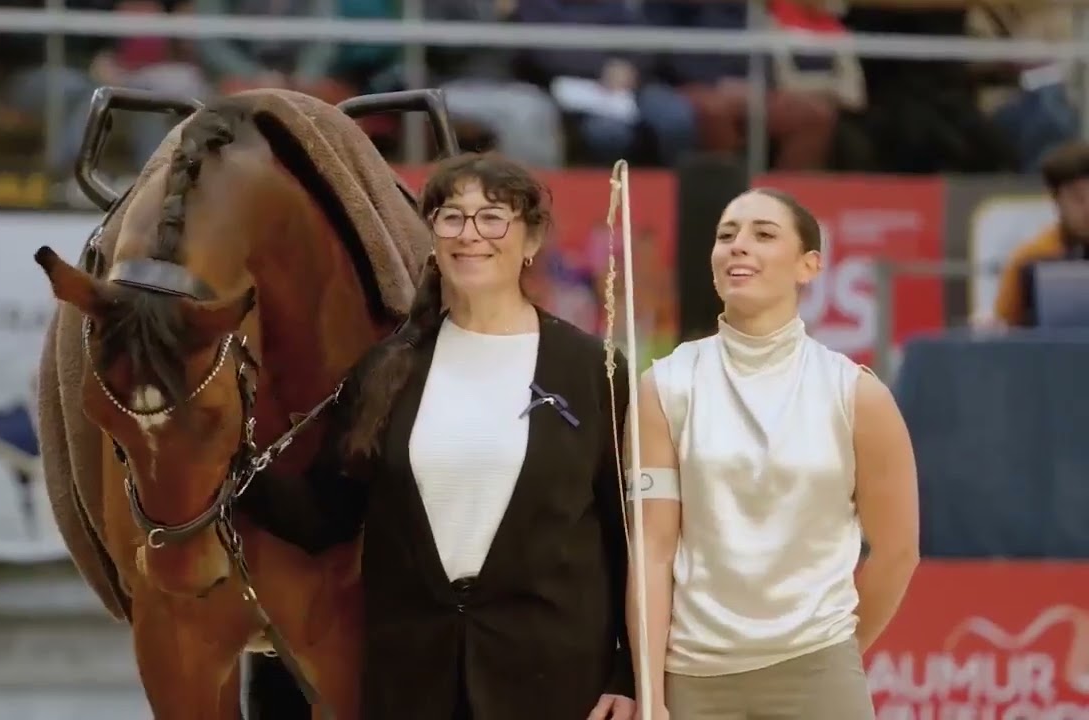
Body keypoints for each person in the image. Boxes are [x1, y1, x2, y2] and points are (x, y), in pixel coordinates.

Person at [241, 152, 637, 720]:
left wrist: (628, 674)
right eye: (452, 217)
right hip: (413, 683)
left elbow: (629, 540)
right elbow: (326, 516)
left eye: (492, 217)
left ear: (530, 240)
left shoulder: (593, 370)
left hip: (557, 680)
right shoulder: (385, 370)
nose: (469, 234)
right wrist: (225, 460)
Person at [628, 189, 920, 720]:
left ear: (809, 265)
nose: (739, 245)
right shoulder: (664, 386)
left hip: (818, 671)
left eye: (763, 234)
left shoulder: (857, 393)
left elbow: (898, 551)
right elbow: (653, 551)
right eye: (726, 235)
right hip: (694, 677)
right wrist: (649, 695)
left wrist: (836, 652)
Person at [990, 140, 1089, 328]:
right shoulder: (1030, 257)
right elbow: (1004, 327)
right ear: (1057, 201)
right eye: (1077, 198)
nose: (1088, 208)